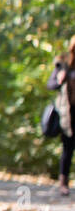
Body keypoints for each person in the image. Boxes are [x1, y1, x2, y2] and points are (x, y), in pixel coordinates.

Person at [45, 38, 75, 196]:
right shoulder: (63, 65)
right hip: (68, 113)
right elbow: (50, 85)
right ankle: (63, 182)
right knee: (68, 148)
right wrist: (59, 80)